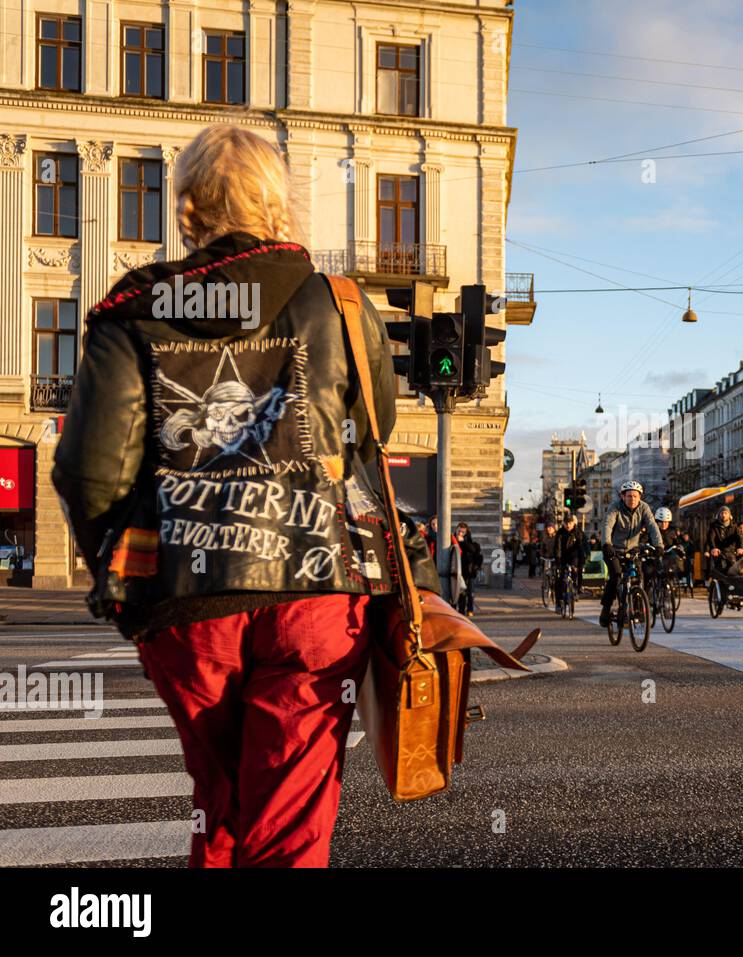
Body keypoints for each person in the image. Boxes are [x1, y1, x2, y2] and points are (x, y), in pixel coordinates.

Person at [50, 124, 439, 868]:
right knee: (290, 819)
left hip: (188, 597)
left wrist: (125, 572)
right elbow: (373, 429)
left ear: (188, 209)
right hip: (318, 589)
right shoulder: (342, 304)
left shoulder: (133, 309)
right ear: (278, 204)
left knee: (219, 800)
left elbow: (89, 469)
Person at [599, 481, 663, 627]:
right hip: (613, 549)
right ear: (622, 496)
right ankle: (606, 608)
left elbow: (653, 526)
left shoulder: (644, 508)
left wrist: (659, 546)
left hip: (632, 550)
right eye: (629, 496)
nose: (632, 499)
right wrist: (606, 544)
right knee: (616, 576)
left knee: (638, 577)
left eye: (635, 496)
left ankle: (637, 609)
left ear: (640, 497)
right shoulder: (615, 507)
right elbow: (607, 525)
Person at [553, 514, 586, 612]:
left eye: (570, 523)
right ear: (563, 523)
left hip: (574, 557)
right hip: (562, 557)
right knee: (559, 579)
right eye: (566, 523)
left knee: (577, 571)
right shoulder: (560, 533)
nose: (568, 525)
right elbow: (557, 548)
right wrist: (558, 561)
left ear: (573, 523)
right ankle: (558, 603)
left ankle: (577, 589)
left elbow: (581, 547)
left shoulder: (578, 532)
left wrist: (583, 558)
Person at [706, 506, 743, 579]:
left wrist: (740, 548)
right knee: (720, 570)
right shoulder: (714, 526)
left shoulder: (734, 526)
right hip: (719, 552)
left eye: (726, 513)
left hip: (730, 551)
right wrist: (713, 548)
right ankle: (717, 587)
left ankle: (733, 587)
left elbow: (739, 537)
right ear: (719, 515)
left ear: (729, 515)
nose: (724, 515)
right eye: (722, 513)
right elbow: (711, 538)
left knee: (734, 570)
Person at [454, 522, 483, 617]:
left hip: (469, 571)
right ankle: (461, 610)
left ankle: (470, 609)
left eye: (463, 532)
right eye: (459, 531)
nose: (460, 533)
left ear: (467, 532)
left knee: (470, 592)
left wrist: (462, 542)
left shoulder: (472, 543)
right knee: (460, 592)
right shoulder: (452, 541)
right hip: (457, 570)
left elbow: (473, 551)